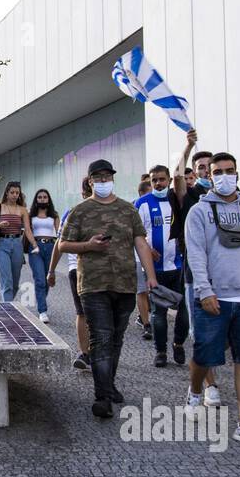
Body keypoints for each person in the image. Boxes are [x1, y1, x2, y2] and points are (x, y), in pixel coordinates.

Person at [58, 160, 157, 418]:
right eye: (98, 178)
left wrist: (151, 278)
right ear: (90, 181)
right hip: (93, 284)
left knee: (116, 339)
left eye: (107, 177)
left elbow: (141, 244)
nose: (103, 181)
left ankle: (108, 385)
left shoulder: (127, 210)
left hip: (124, 284)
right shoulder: (80, 211)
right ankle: (102, 397)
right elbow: (63, 245)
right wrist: (88, 245)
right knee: (101, 338)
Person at [184, 153, 240, 448]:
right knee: (206, 355)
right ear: (208, 176)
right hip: (215, 296)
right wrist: (204, 291)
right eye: (218, 171)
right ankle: (195, 391)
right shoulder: (199, 212)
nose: (224, 176)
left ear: (237, 173)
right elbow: (196, 254)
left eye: (229, 170)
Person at [171, 129, 221, 406]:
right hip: (195, 272)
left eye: (207, 167)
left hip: (225, 274)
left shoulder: (231, 199)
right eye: (199, 168)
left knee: (222, 333)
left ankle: (204, 376)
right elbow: (178, 177)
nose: (204, 171)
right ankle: (208, 384)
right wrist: (187, 148)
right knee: (202, 330)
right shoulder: (190, 197)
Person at [136, 164, 189, 368]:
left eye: (161, 179)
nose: (158, 183)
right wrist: (147, 250)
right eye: (154, 180)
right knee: (159, 313)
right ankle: (160, 351)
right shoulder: (142, 204)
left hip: (179, 266)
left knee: (184, 312)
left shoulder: (178, 200)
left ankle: (178, 343)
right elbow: (136, 235)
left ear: (169, 180)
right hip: (155, 269)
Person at [49, 175, 94, 370]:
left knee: (95, 314)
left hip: (106, 270)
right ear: (84, 192)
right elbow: (59, 245)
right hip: (78, 269)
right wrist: (51, 270)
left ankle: (96, 352)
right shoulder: (72, 213)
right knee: (83, 312)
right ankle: (84, 353)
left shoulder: (114, 211)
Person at [0, 181, 36, 303]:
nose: (14, 195)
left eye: (17, 193)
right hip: (2, 244)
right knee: (6, 280)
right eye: (12, 192)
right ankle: (7, 310)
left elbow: (28, 230)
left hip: (17, 244)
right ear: (7, 193)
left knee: (15, 283)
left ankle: (7, 305)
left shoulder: (22, 209)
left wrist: (34, 244)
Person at [27, 188, 60, 323]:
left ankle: (41, 299)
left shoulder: (54, 215)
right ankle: (42, 311)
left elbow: (58, 233)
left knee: (47, 279)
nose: (42, 199)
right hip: (35, 247)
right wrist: (34, 244)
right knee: (39, 279)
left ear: (48, 199)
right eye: (39, 197)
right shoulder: (30, 215)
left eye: (44, 197)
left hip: (51, 247)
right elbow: (28, 231)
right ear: (36, 199)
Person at [133, 178, 154, 340]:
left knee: (153, 290)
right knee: (141, 290)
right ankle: (146, 323)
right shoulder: (136, 207)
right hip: (140, 257)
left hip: (160, 258)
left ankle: (153, 318)